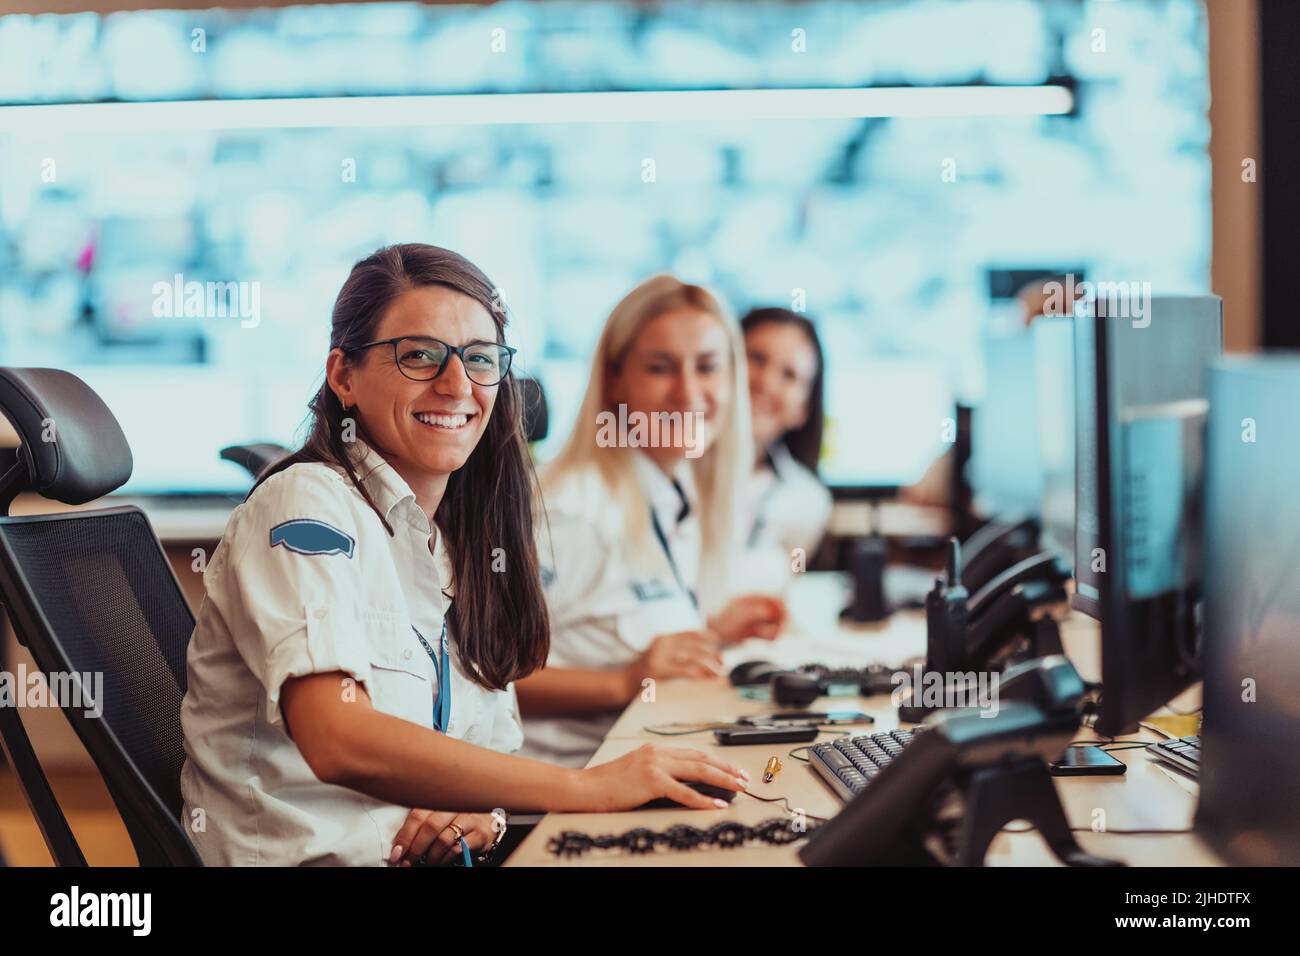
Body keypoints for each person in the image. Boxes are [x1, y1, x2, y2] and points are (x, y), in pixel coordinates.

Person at [179, 245, 749, 866]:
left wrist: (484, 814)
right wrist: (587, 789)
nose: (457, 385)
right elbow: (336, 737)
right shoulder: (304, 507)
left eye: (480, 360)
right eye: (420, 355)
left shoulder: (451, 544)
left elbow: (485, 753)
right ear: (343, 375)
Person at [516, 276, 786, 768]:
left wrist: (709, 633)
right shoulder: (568, 511)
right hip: (557, 798)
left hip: (649, 765)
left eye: (708, 367)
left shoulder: (673, 488)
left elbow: (607, 628)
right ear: (616, 379)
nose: (688, 392)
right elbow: (487, 683)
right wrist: (626, 679)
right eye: (660, 368)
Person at [739, 307, 833, 578]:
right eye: (755, 358)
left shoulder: (807, 502)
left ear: (803, 409)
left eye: (789, 375)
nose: (766, 383)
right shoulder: (669, 469)